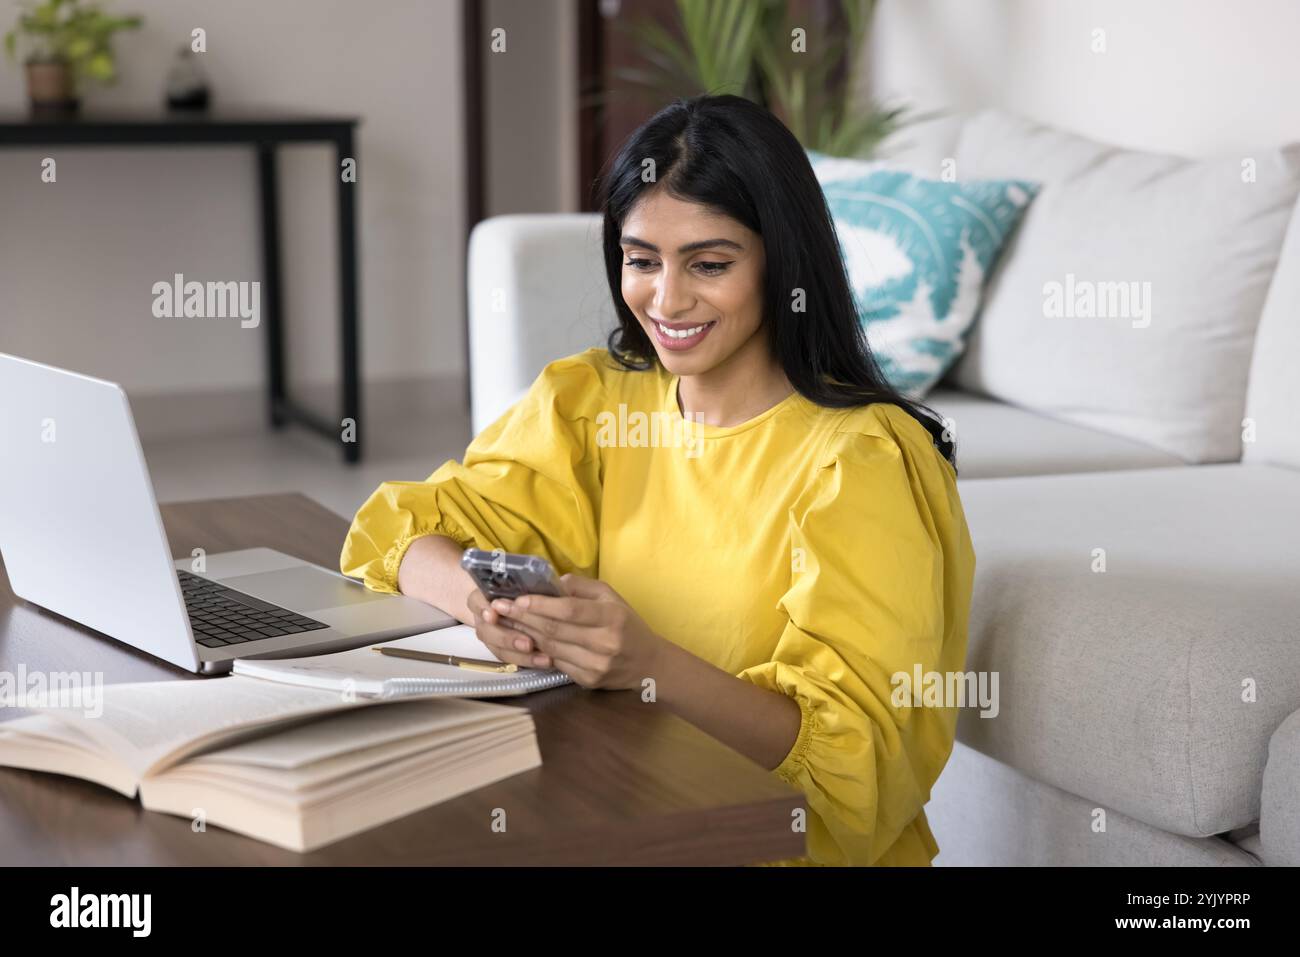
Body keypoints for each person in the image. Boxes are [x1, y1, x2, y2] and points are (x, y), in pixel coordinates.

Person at [340, 94, 976, 866]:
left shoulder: (865, 462)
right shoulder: (592, 401)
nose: (667, 300)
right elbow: (402, 536)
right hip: (620, 811)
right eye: (642, 260)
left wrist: (649, 666)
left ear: (784, 261)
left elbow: (855, 773)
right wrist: (481, 602)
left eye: (710, 264)